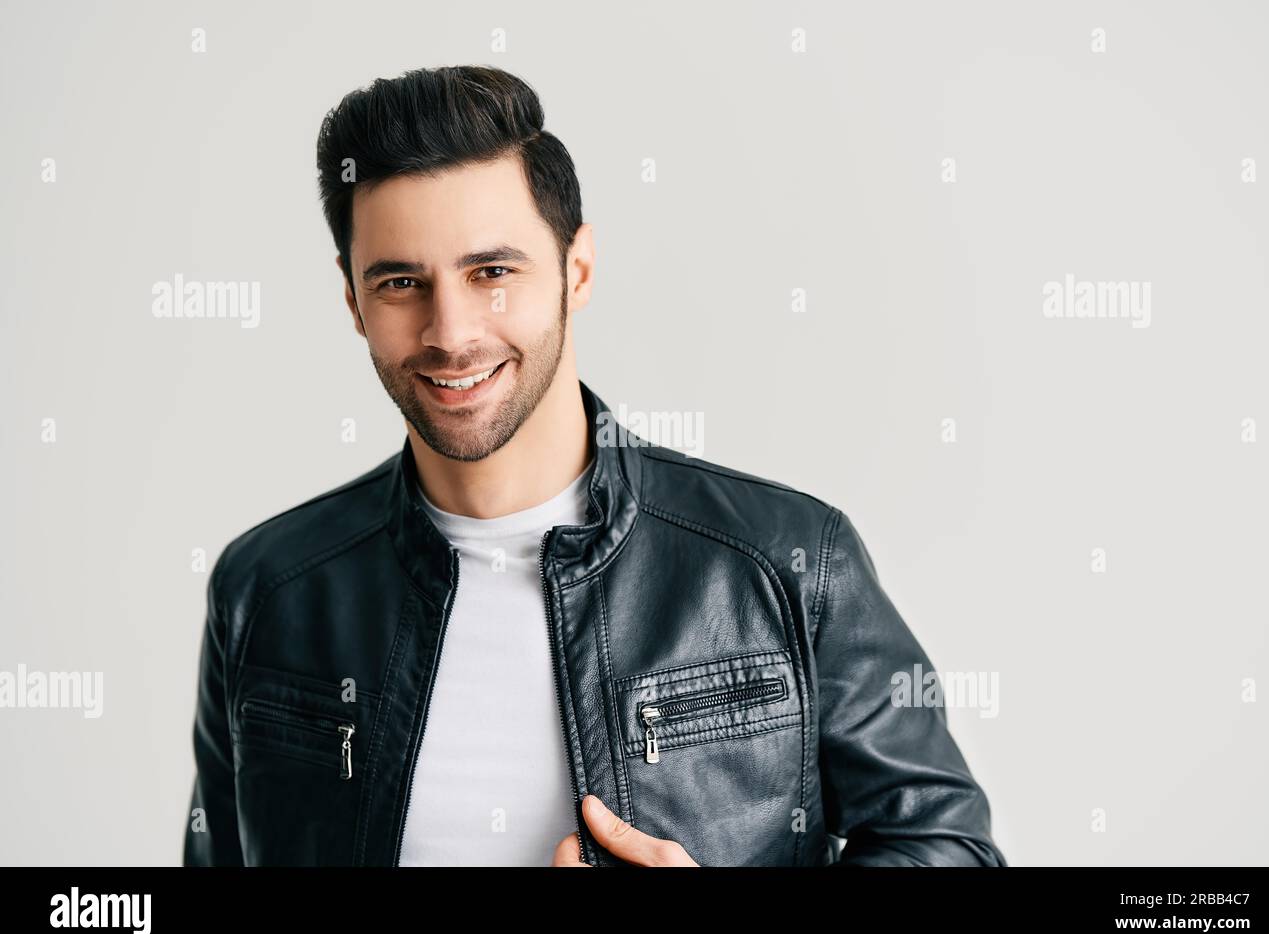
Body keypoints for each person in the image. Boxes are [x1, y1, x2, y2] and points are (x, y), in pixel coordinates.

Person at [183, 64, 1005, 867]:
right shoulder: (265, 587)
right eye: (401, 282)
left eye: (492, 272)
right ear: (353, 299)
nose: (451, 331)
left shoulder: (788, 560)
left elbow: (948, 846)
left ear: (577, 268)